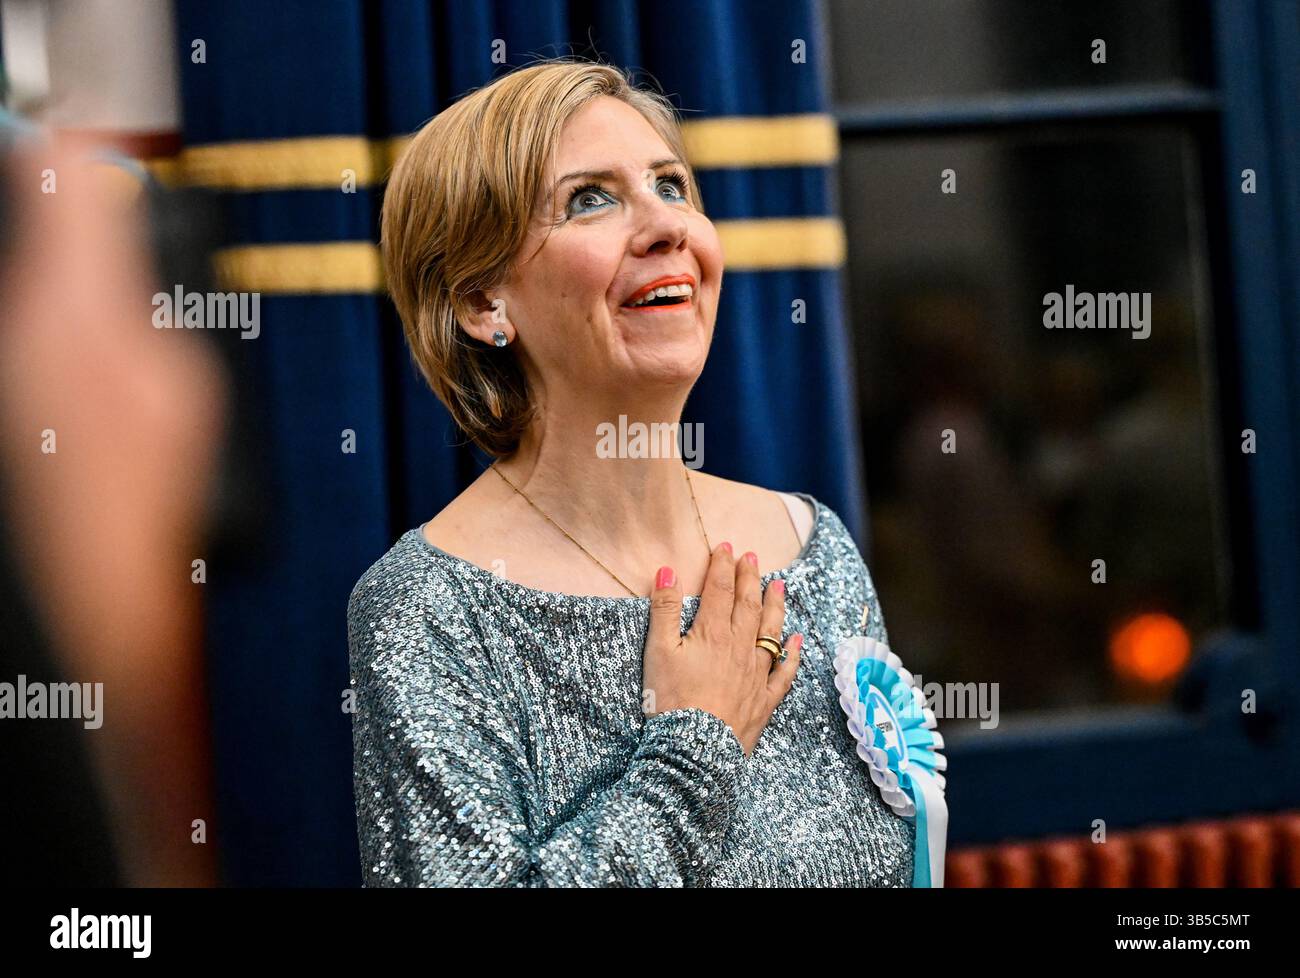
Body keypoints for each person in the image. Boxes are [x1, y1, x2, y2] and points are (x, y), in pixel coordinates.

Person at [348, 58, 913, 886]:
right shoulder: (427, 608)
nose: (664, 227)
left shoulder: (815, 549)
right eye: (590, 199)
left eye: (673, 186)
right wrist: (696, 745)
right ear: (481, 303)